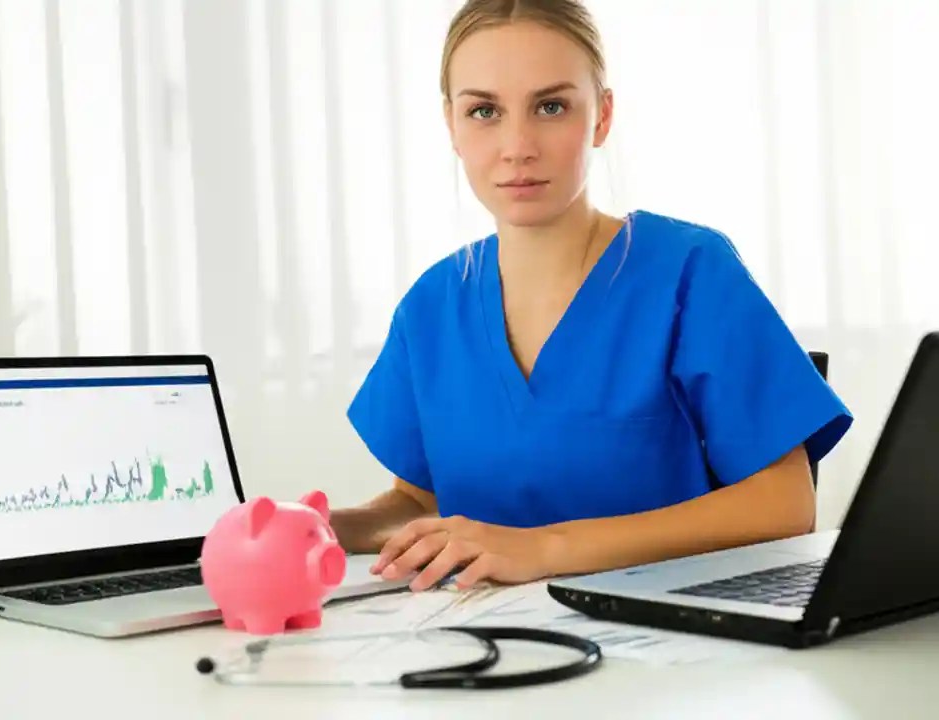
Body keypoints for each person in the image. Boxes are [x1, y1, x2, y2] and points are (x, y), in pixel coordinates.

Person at [330, 0, 852, 593]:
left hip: (665, 633)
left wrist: (545, 549)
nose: (517, 146)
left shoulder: (689, 272)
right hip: (480, 635)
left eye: (551, 107)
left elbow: (784, 503)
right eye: (484, 111)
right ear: (451, 124)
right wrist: (325, 526)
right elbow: (419, 502)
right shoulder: (429, 308)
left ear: (602, 116)